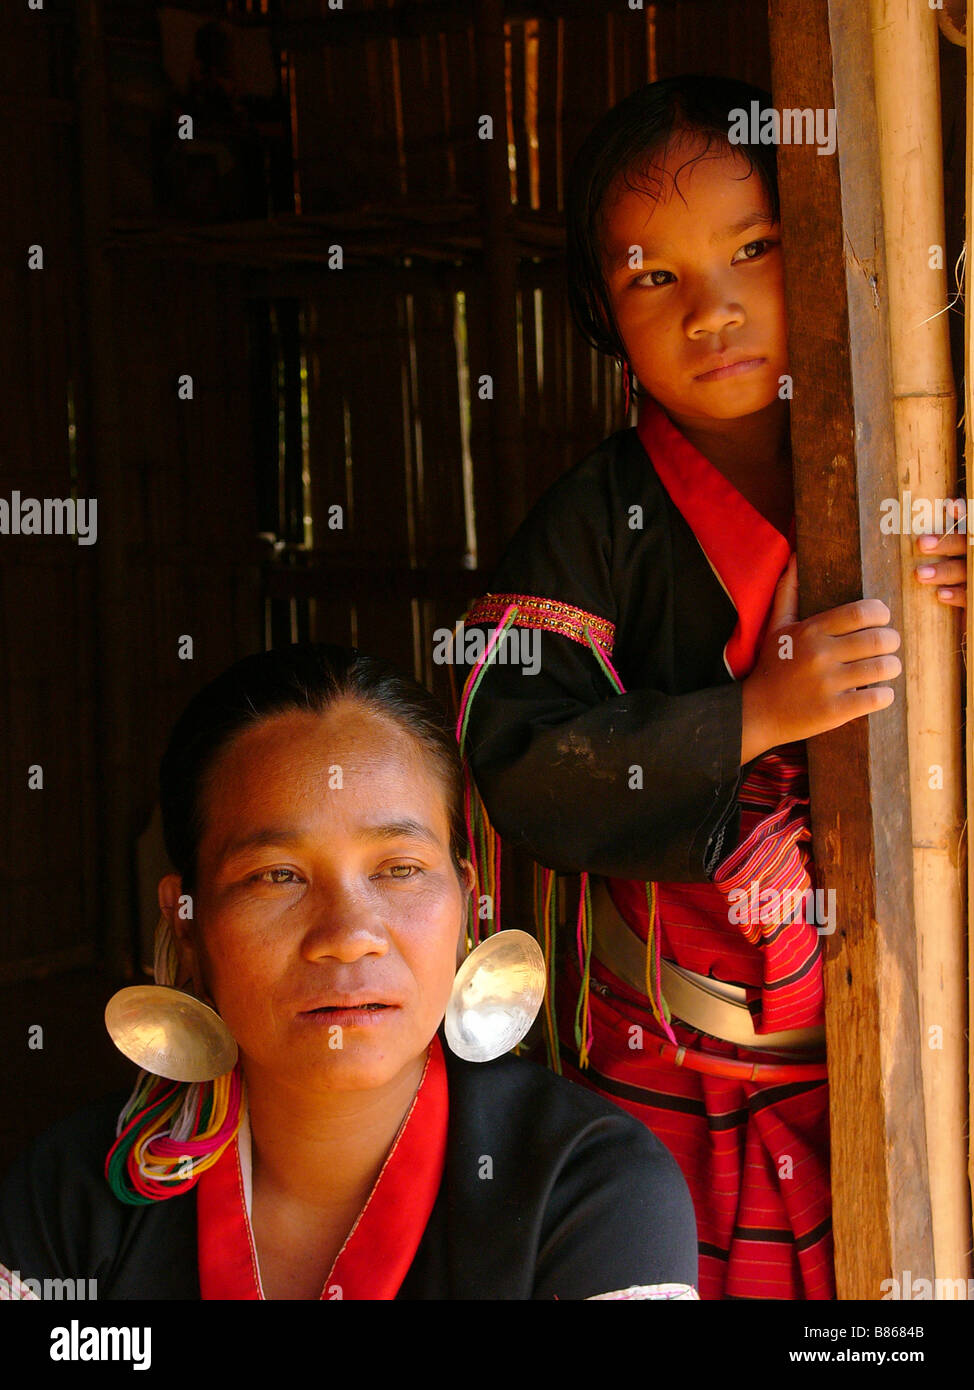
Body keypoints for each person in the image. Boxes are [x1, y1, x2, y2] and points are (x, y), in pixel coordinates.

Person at [457, 75, 965, 1301]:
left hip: (919, 1035)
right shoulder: (597, 518)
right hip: (667, 1058)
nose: (713, 310)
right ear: (596, 306)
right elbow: (512, 749)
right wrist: (759, 715)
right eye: (652, 277)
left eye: (752, 248)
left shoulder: (926, 460)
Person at [0, 643, 698, 1301]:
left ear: (465, 899)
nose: (348, 937)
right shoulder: (71, 1196)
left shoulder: (590, 1190)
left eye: (400, 869)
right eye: (277, 876)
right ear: (187, 921)